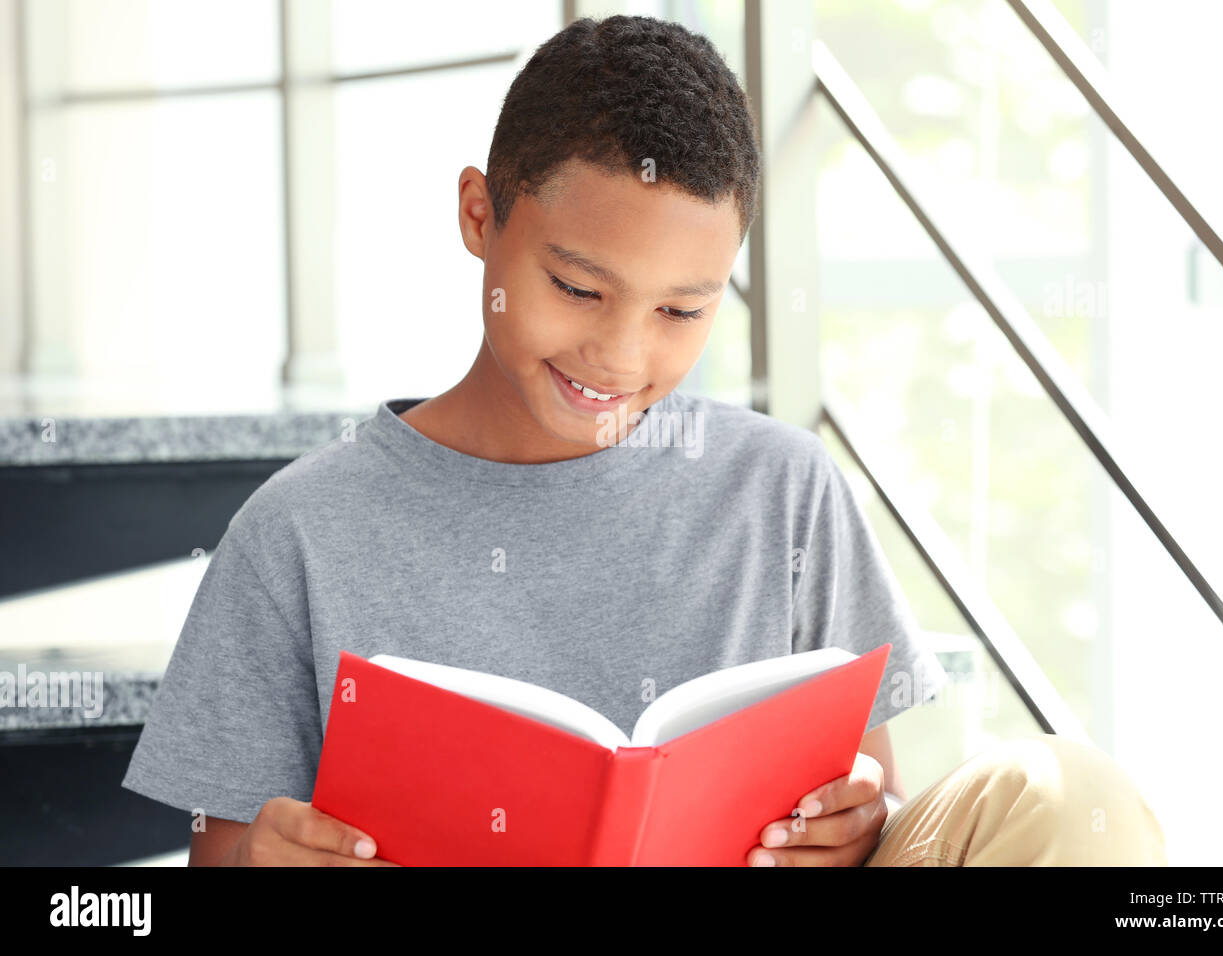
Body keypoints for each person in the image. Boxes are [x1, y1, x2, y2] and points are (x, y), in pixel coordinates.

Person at [121, 14, 1166, 867]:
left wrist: (855, 819)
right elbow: (223, 857)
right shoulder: (300, 531)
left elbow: (867, 792)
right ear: (480, 215)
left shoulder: (784, 489)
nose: (619, 357)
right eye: (577, 287)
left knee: (1070, 798)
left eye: (682, 311)